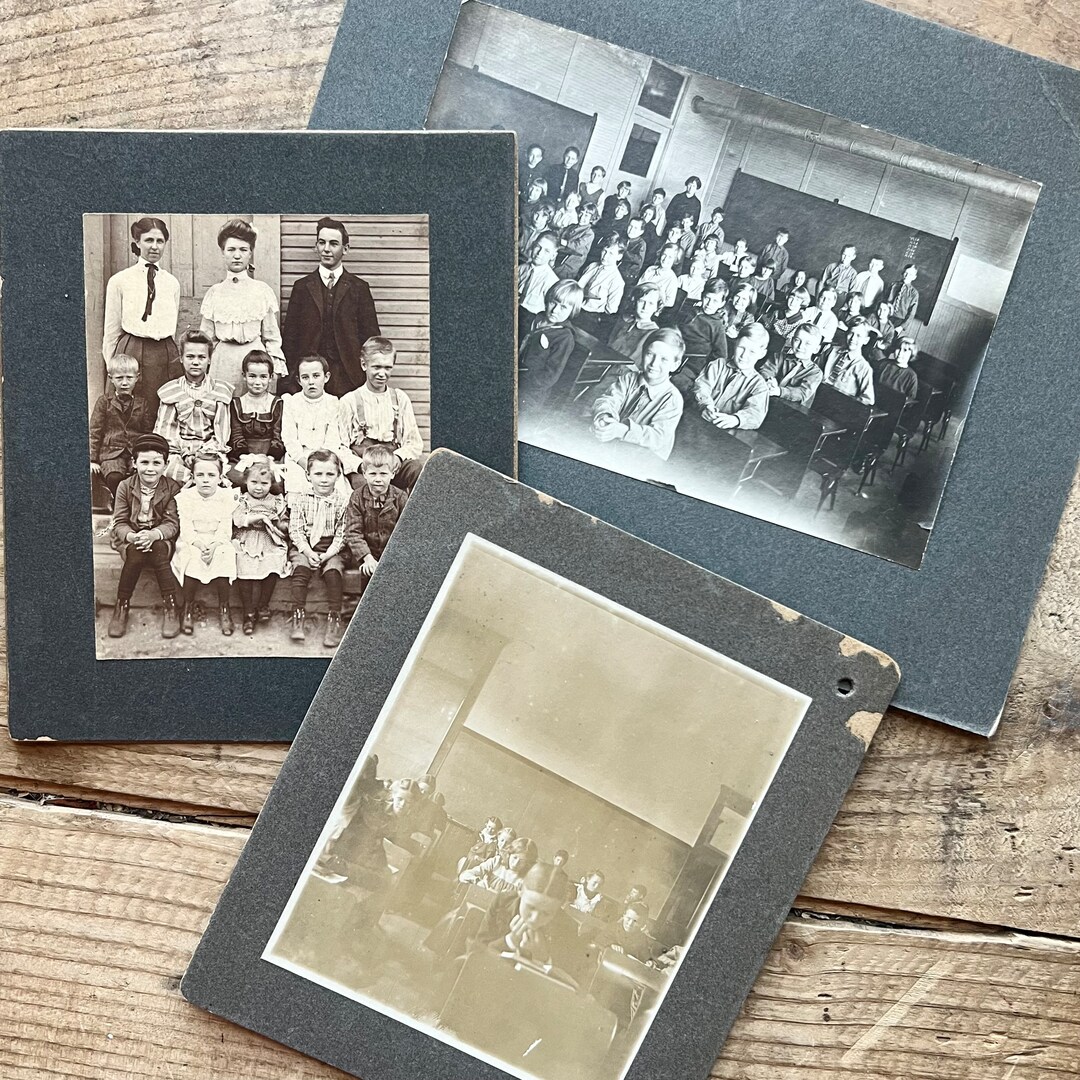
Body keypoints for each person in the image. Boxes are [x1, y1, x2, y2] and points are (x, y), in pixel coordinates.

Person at [281, 216, 381, 397]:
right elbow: (290, 338)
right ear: (316, 246)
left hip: (348, 377)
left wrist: (364, 374)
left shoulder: (359, 288)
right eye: (322, 242)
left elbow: (371, 338)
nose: (326, 249)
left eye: (333, 243)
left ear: (346, 249)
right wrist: (292, 379)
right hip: (310, 376)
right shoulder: (302, 287)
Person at [107, 432, 182, 640]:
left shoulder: (172, 488)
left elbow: (172, 523)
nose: (150, 468)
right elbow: (119, 522)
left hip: (159, 539)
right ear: (134, 463)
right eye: (145, 462)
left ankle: (171, 606)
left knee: (158, 551)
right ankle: (122, 605)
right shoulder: (125, 486)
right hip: (132, 538)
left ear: (165, 465)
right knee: (136, 554)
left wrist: (154, 534)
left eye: (157, 462)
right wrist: (134, 537)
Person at [198, 218, 286, 394]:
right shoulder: (215, 292)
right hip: (222, 363)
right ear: (223, 252)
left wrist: (274, 365)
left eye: (243, 250)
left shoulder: (262, 290)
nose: (237, 255)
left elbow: (272, 336)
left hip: (255, 362)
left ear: (250, 253)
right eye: (231, 250)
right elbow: (206, 338)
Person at [102, 216, 181, 408]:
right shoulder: (120, 280)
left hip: (164, 353)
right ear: (137, 242)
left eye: (160, 241)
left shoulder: (172, 282)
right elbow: (111, 329)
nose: (155, 247)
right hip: (132, 350)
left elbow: (173, 325)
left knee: (161, 408)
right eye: (149, 240)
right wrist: (113, 365)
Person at [338, 337, 426, 492]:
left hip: (392, 463)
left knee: (417, 470)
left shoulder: (400, 399)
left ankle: (413, 515)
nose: (382, 373)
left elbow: (414, 442)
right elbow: (339, 445)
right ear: (364, 365)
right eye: (377, 367)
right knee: (363, 488)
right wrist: (359, 465)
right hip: (364, 466)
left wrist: (398, 457)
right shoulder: (349, 400)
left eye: (387, 368)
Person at [171, 449, 239, 637]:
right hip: (193, 540)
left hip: (218, 540)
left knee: (225, 553)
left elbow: (225, 528)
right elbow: (186, 528)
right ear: (193, 477)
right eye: (200, 475)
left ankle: (224, 607)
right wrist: (200, 546)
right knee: (190, 556)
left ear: (220, 477)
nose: (206, 480)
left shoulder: (226, 497)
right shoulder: (186, 498)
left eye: (211, 475)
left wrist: (214, 546)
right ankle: (188, 606)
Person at [590, 327, 685, 461]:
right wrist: (605, 416)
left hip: (645, 456)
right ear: (643, 353)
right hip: (615, 443)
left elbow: (657, 438)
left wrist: (622, 430)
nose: (654, 363)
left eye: (664, 359)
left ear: (675, 365)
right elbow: (609, 399)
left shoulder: (672, 399)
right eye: (650, 354)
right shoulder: (629, 378)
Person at [287, 448, 350, 647]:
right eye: (318, 474)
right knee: (300, 570)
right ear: (308, 475)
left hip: (333, 547)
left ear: (338, 476)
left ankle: (334, 618)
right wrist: (307, 551)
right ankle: (298, 616)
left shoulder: (343, 502)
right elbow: (295, 531)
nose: (324, 479)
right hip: (305, 545)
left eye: (330, 474)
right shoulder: (300, 499)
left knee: (333, 572)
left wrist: (329, 553)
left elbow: (343, 533)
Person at [154, 330, 232, 484]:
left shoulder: (220, 391)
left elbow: (221, 434)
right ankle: (193, 483)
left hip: (210, 452)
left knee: (211, 471)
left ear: (209, 360)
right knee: (167, 468)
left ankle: (200, 483)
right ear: (181, 359)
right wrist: (185, 454)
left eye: (201, 357)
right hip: (178, 452)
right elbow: (166, 433)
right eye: (190, 357)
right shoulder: (171, 391)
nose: (195, 362)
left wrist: (203, 454)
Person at [280, 355, 355, 496]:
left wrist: (322, 463)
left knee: (335, 489)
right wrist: (304, 463)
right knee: (298, 488)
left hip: (326, 458)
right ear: (299, 380)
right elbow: (289, 439)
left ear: (326, 377)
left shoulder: (334, 403)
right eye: (305, 377)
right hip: (299, 459)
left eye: (316, 376)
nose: (311, 382)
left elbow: (333, 439)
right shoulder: (291, 402)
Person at [232, 457, 289, 635]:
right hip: (247, 538)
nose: (258, 487)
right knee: (244, 567)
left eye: (264, 483)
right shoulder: (242, 499)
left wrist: (281, 524)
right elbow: (238, 519)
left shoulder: (276, 500)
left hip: (269, 539)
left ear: (271, 483)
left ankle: (263, 605)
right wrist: (257, 518)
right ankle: (248, 612)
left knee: (273, 565)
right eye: (254, 482)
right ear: (246, 481)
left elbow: (283, 521)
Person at [343, 444, 409, 599]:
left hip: (392, 554)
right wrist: (367, 558)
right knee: (368, 576)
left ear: (392, 474)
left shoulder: (400, 497)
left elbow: (405, 532)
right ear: (364, 473)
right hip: (366, 554)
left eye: (383, 474)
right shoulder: (357, 497)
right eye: (373, 473)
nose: (378, 479)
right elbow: (353, 532)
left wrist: (392, 558)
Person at [90, 354, 154, 503]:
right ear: (111, 378)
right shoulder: (104, 402)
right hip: (111, 453)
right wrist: (92, 459)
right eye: (119, 378)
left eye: (129, 378)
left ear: (137, 377)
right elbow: (95, 431)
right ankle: (120, 503)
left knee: (139, 476)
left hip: (135, 453)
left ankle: (135, 504)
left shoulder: (142, 403)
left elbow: (147, 432)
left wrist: (144, 454)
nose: (124, 383)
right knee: (114, 476)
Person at [518, 279, 584, 411]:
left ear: (573, 310)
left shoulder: (564, 337)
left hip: (528, 393)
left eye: (563, 307)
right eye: (553, 303)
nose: (555, 310)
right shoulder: (535, 319)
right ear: (547, 301)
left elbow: (548, 378)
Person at [692, 322, 771, 431]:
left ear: (762, 354)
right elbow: (701, 386)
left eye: (752, 352)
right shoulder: (717, 365)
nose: (744, 355)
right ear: (735, 344)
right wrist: (706, 405)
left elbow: (756, 414)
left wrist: (736, 419)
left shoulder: (759, 386)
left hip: (726, 434)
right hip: (698, 422)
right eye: (741, 348)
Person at [226, 350, 285, 493]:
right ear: (244, 376)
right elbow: (237, 435)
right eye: (252, 376)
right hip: (244, 457)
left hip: (270, 457)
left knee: (275, 482)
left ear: (271, 377)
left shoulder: (277, 403)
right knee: (238, 478)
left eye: (263, 377)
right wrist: (246, 457)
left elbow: (278, 435)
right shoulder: (236, 403)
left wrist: (269, 457)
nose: (257, 382)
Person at [759, 323, 825, 407]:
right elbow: (766, 369)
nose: (800, 346)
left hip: (792, 410)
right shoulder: (778, 357)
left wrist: (780, 391)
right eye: (797, 340)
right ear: (791, 340)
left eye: (807, 344)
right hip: (769, 399)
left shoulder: (815, 373)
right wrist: (769, 380)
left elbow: (802, 393)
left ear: (816, 349)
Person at [677, 278, 729, 380]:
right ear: (702, 296)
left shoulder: (717, 326)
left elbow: (721, 356)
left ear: (722, 303)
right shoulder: (691, 311)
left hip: (692, 365)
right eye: (707, 298)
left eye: (715, 301)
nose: (709, 304)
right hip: (675, 352)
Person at [576, 238, 626, 338]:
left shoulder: (617, 281)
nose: (605, 256)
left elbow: (611, 309)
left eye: (611, 253)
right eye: (604, 251)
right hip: (575, 307)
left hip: (590, 318)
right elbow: (578, 286)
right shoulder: (592, 266)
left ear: (619, 257)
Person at [821, 318, 876, 405]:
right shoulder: (831, 350)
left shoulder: (864, 367)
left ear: (866, 340)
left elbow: (868, 400)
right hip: (818, 395)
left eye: (858, 336)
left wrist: (847, 403)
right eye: (851, 333)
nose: (853, 338)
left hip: (837, 405)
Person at [608, 284, 661, 362]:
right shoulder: (624, 320)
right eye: (642, 301)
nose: (645, 307)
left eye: (651, 303)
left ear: (657, 307)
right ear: (634, 301)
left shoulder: (653, 333)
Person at [518, 232, 560, 325]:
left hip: (530, 318)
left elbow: (548, 313)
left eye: (547, 251)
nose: (539, 253)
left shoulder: (552, 281)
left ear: (553, 256)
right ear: (533, 246)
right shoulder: (521, 268)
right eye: (538, 246)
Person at [553, 202, 597, 279]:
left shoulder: (589, 233)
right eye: (581, 213)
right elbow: (559, 233)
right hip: (560, 258)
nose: (582, 217)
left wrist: (565, 242)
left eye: (586, 216)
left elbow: (577, 245)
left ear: (591, 219)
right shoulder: (572, 226)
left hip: (570, 265)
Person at [636, 244, 681, 313]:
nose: (665, 259)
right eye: (664, 254)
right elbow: (638, 286)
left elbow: (669, 304)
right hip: (638, 304)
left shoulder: (672, 279)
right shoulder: (650, 269)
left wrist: (661, 295)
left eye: (670, 257)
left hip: (652, 311)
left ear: (675, 260)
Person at [887, 264, 920, 334]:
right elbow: (883, 300)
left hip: (898, 321)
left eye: (910, 274)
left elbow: (911, 313)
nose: (907, 276)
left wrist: (901, 327)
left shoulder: (914, 293)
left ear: (914, 277)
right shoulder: (893, 285)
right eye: (906, 273)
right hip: (885, 315)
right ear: (902, 273)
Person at [620, 217, 649, 285]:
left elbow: (638, 260)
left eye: (635, 228)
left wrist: (624, 251)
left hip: (627, 276)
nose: (631, 230)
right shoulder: (623, 237)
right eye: (630, 226)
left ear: (641, 232)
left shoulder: (641, 244)